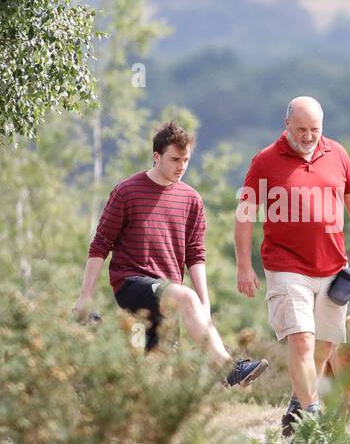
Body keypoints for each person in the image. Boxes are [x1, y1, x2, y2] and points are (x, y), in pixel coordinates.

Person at [75, 120, 268, 387]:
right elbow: (100, 244)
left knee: (156, 372)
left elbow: (195, 254)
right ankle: (228, 368)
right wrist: (85, 296)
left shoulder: (191, 199)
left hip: (169, 292)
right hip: (132, 284)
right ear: (157, 156)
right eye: (175, 159)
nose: (181, 166)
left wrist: (204, 304)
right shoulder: (126, 192)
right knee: (184, 297)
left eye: (186, 159)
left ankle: (100, 399)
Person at [234, 96, 350, 435]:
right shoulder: (265, 161)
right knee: (302, 342)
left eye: (314, 129)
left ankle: (296, 408)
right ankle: (313, 420)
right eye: (301, 129)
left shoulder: (337, 154)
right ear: (286, 124)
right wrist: (244, 265)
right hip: (286, 266)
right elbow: (245, 216)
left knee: (322, 350)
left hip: (333, 268)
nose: (308, 136)